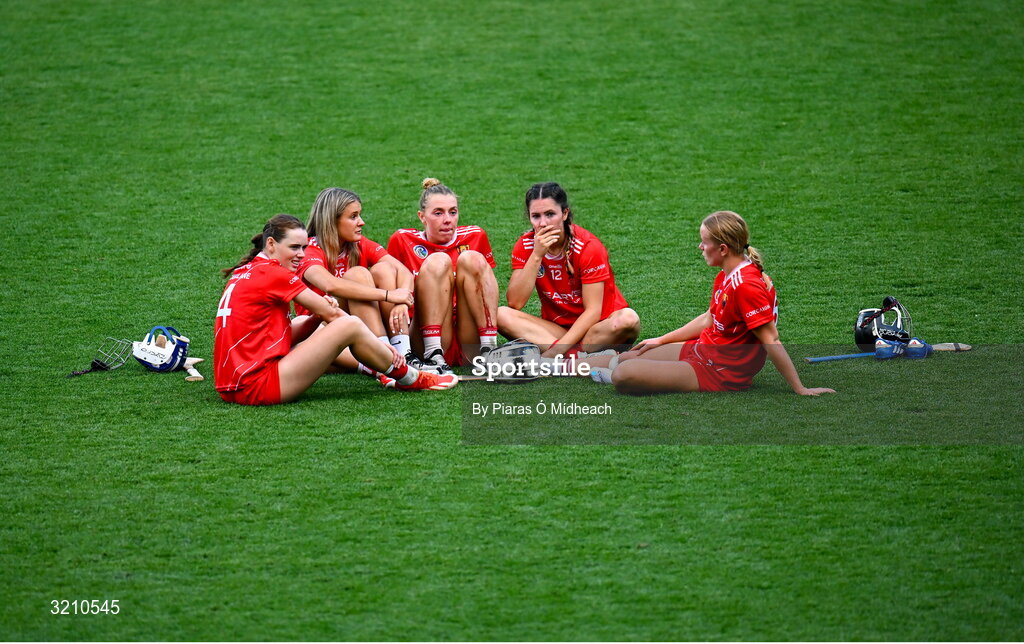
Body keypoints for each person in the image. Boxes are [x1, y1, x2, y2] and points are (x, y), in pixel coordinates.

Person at [214, 214, 457, 406]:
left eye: (303, 248)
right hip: (258, 386)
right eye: (295, 248)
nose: (301, 255)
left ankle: (387, 364)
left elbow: (283, 330)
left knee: (329, 318)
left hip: (232, 385)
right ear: (270, 244)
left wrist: (316, 318)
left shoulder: (244, 271)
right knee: (348, 324)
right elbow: (334, 315)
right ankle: (410, 377)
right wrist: (383, 347)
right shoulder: (274, 273)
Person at [598, 210, 834, 396]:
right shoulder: (727, 274)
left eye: (704, 242)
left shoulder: (745, 286)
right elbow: (710, 318)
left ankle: (597, 368)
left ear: (722, 248)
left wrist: (800, 388)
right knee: (631, 356)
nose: (700, 247)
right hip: (704, 349)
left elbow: (771, 340)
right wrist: (661, 339)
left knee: (623, 374)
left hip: (719, 371)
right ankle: (565, 366)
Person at [497, 182, 640, 358]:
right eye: (536, 216)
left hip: (596, 330)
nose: (543, 223)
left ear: (564, 214)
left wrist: (554, 351)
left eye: (550, 214)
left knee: (628, 320)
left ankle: (564, 355)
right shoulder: (526, 245)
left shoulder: (588, 247)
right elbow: (515, 302)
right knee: (501, 314)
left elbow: (593, 311)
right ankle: (580, 357)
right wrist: (536, 256)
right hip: (559, 331)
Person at [296, 187, 422, 370]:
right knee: (358, 275)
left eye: (359, 215)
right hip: (321, 330)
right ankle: (385, 359)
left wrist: (402, 300)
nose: (361, 222)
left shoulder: (358, 244)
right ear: (332, 220)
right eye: (353, 216)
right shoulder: (308, 250)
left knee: (383, 269)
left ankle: (403, 352)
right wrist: (387, 295)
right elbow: (330, 285)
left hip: (361, 331)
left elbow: (403, 272)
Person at [387, 178, 500, 374]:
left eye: (453, 212)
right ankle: (433, 355)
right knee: (438, 260)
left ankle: (490, 349)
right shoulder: (402, 240)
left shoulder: (476, 236)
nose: (447, 219)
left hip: (467, 338)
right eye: (438, 213)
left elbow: (485, 291)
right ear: (422, 217)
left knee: (472, 258)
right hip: (425, 337)